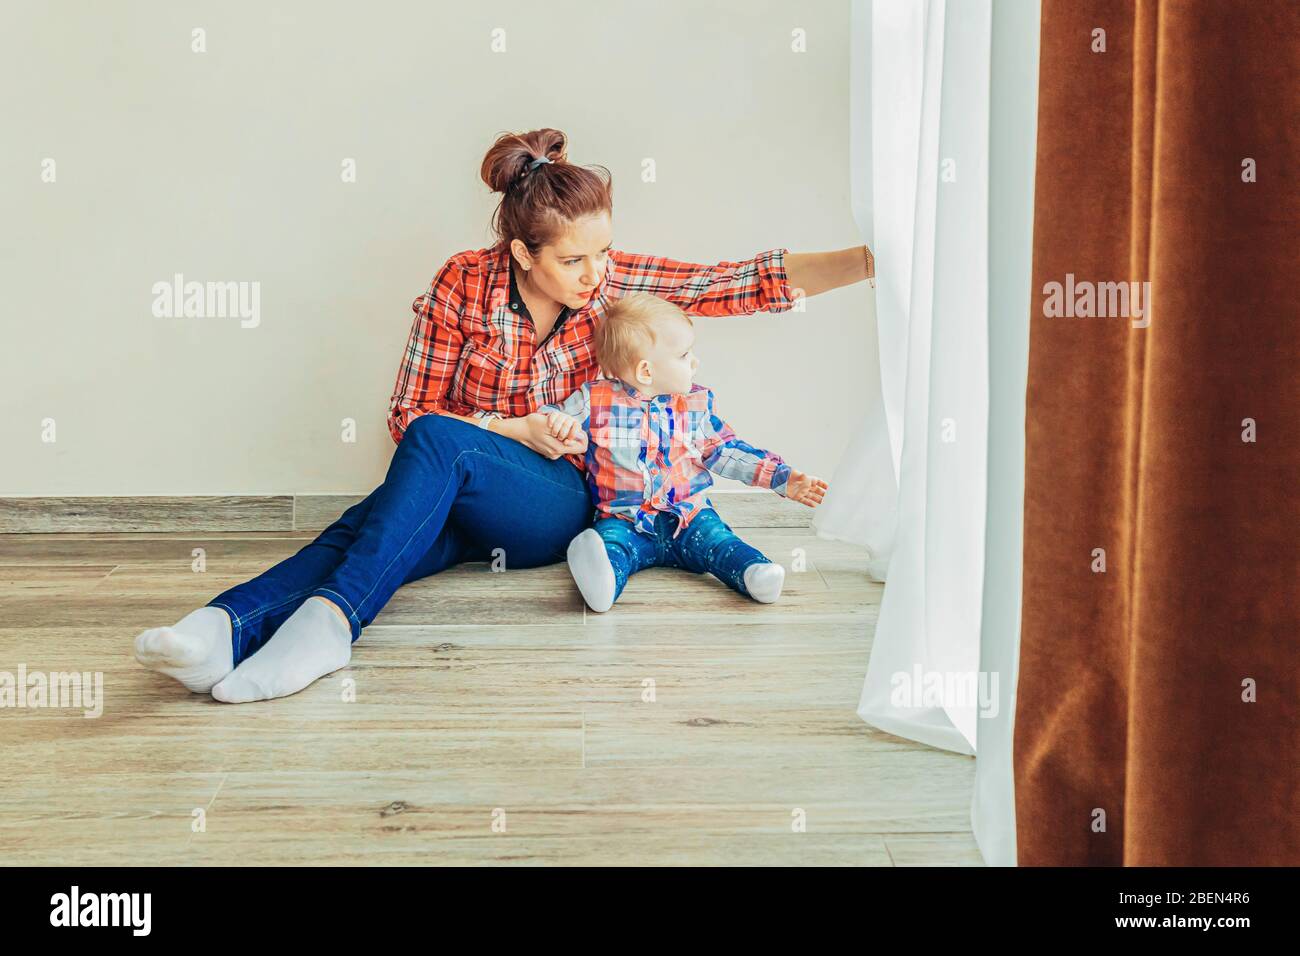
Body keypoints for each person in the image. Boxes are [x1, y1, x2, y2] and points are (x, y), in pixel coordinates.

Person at [132, 126, 876, 703]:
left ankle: (326, 629)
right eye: (572, 262)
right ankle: (222, 628)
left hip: (564, 502)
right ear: (522, 252)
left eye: (602, 255)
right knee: (383, 519)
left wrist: (871, 260)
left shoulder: (609, 280)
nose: (595, 276)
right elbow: (407, 409)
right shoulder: (463, 281)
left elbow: (731, 282)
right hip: (474, 488)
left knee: (431, 451)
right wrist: (508, 429)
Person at [535, 291, 828, 611]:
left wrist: (781, 478)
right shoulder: (594, 399)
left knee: (718, 542)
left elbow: (726, 450)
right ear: (646, 371)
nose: (695, 362)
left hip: (689, 517)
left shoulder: (695, 406)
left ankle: (753, 572)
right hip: (626, 518)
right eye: (684, 355)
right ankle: (602, 581)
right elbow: (549, 421)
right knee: (614, 545)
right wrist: (560, 423)